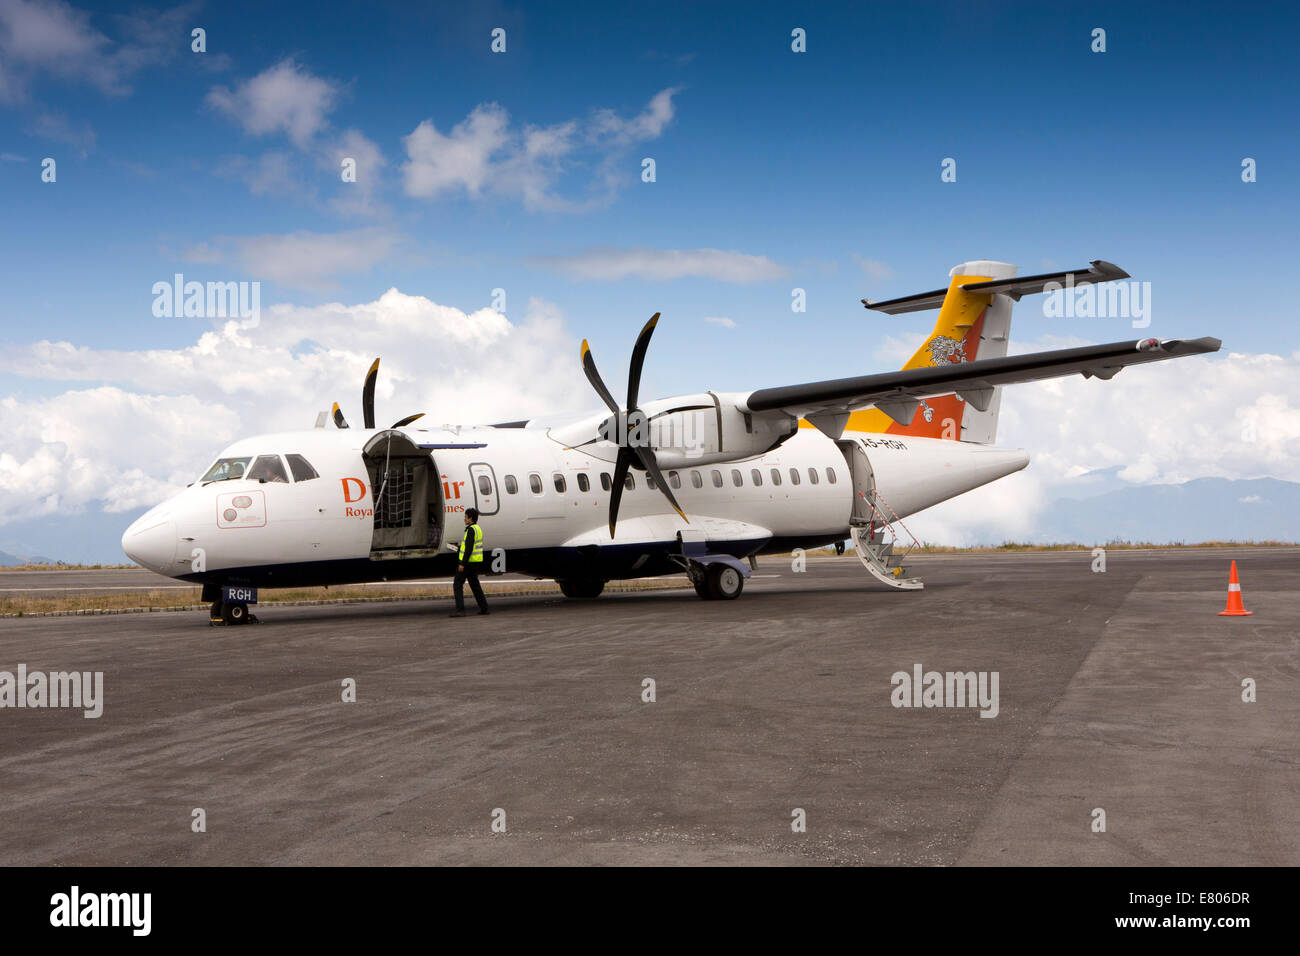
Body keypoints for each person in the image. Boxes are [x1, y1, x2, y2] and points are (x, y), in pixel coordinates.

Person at [450, 508, 489, 617]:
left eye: (465, 517)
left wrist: (462, 563)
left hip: (468, 563)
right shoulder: (477, 529)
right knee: (475, 585)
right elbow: (468, 547)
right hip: (475, 562)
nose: (464, 519)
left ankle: (460, 610)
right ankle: (484, 608)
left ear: (470, 518)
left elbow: (468, 548)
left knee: (457, 584)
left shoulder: (470, 530)